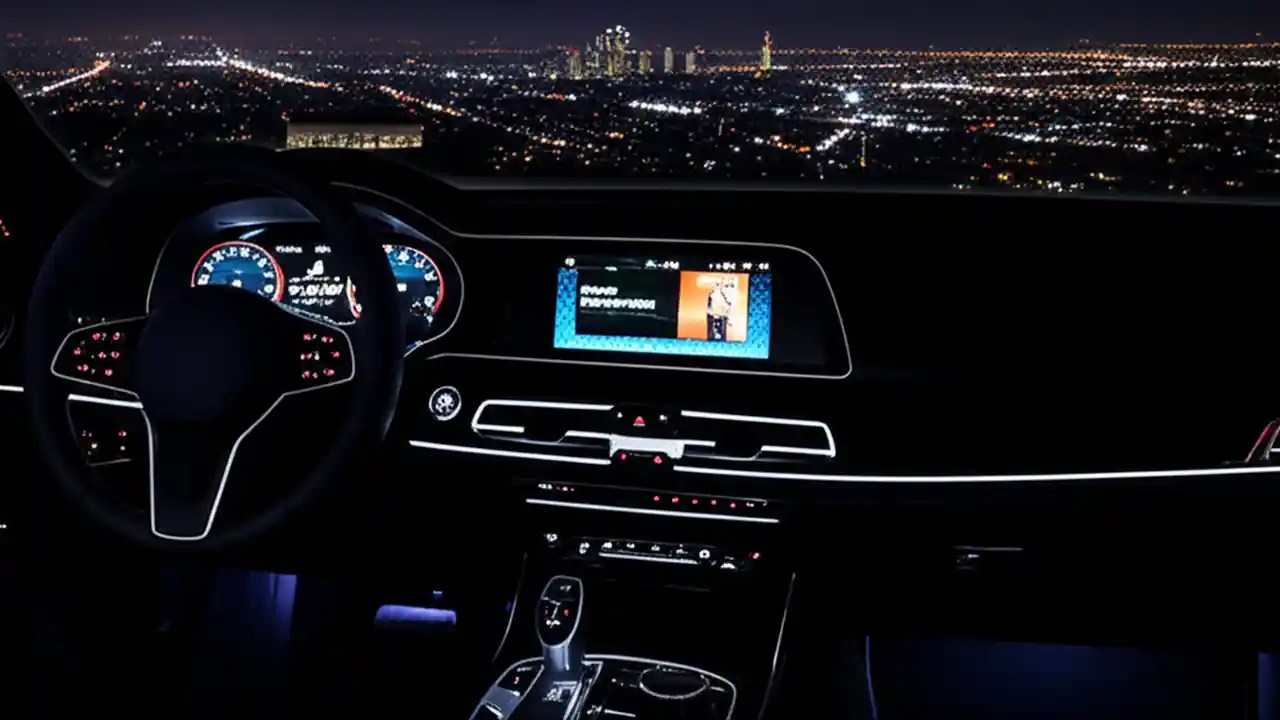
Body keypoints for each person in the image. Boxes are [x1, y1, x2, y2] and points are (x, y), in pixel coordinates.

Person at [705, 276, 736, 341]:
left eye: (731, 286)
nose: (729, 289)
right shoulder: (714, 295)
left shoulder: (729, 298)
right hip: (715, 318)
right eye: (726, 286)